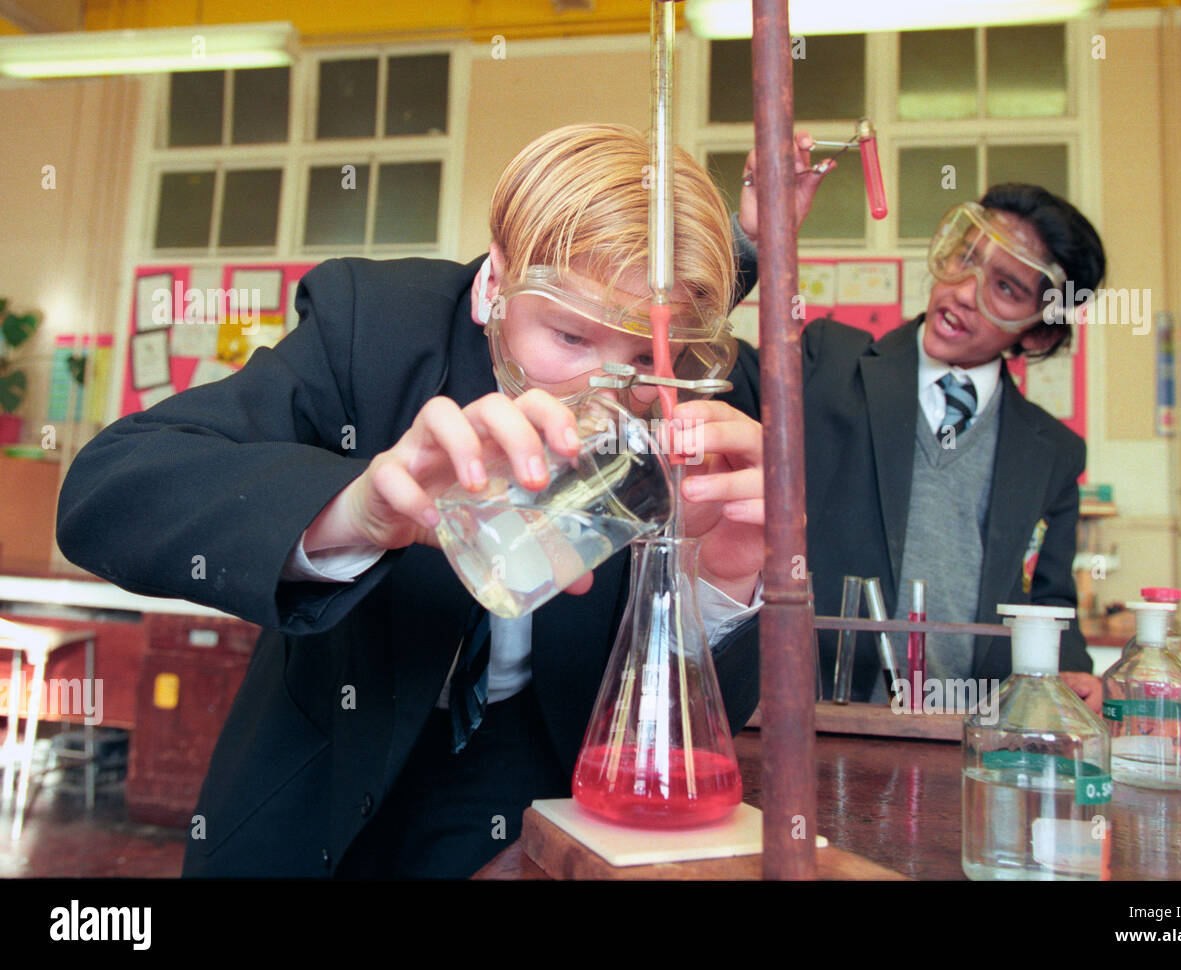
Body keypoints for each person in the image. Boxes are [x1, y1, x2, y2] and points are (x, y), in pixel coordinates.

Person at [56, 124, 823, 878]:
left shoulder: (700, 403)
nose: (610, 397)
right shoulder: (375, 326)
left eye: (652, 359)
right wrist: (354, 513)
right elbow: (108, 490)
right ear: (496, 282)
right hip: (313, 788)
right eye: (570, 338)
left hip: (537, 801)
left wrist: (712, 591)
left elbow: (684, 738)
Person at [724, 182, 1106, 710]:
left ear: (1038, 333)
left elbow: (1050, 602)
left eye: (1007, 289)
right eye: (965, 258)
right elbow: (696, 352)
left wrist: (1076, 671)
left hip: (971, 743)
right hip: (817, 727)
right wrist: (752, 240)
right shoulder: (826, 365)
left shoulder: (1054, 453)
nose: (964, 292)